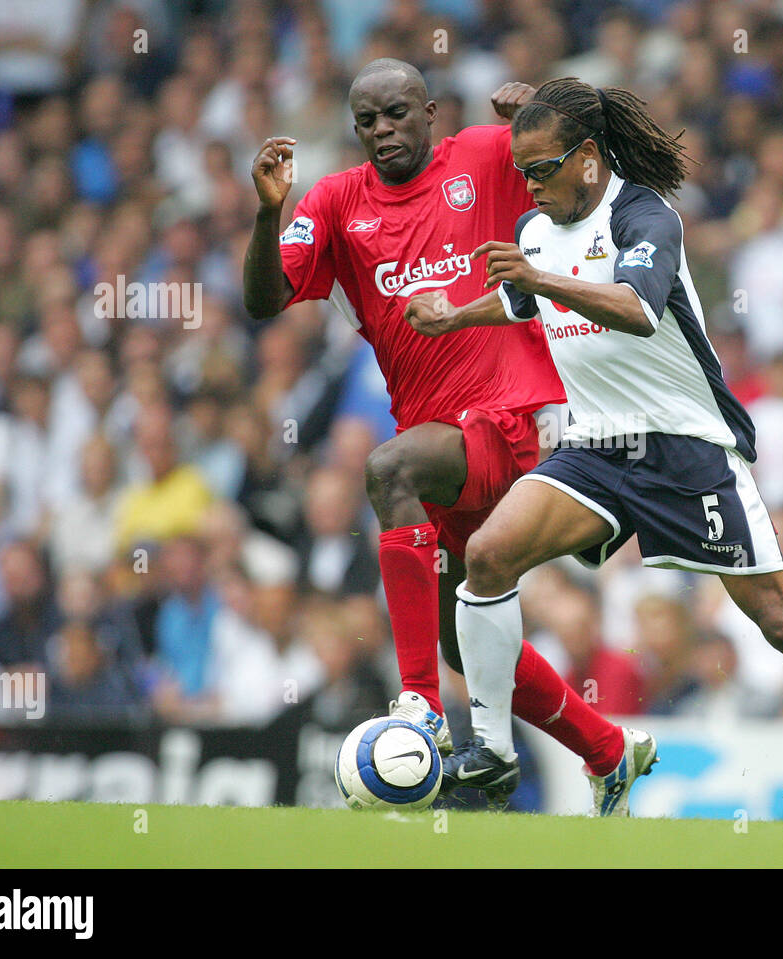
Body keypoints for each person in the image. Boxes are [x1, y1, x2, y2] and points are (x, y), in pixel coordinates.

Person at [407, 77, 783, 822]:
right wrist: (453, 317)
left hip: (687, 448)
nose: (528, 184)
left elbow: (638, 308)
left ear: (588, 157)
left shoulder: (643, 213)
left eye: (540, 168)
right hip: (596, 444)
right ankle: (492, 750)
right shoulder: (535, 230)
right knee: (487, 556)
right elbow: (523, 298)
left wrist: (539, 276)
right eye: (520, 171)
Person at [243, 60, 640, 811]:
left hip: (520, 411)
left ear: (430, 111)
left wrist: (550, 113)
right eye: (368, 122)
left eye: (397, 114)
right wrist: (269, 215)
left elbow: (591, 174)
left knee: (388, 471)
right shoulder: (334, 204)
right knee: (470, 638)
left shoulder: (489, 154)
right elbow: (263, 299)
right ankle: (610, 750)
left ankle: (419, 702)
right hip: (444, 439)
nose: (384, 130)